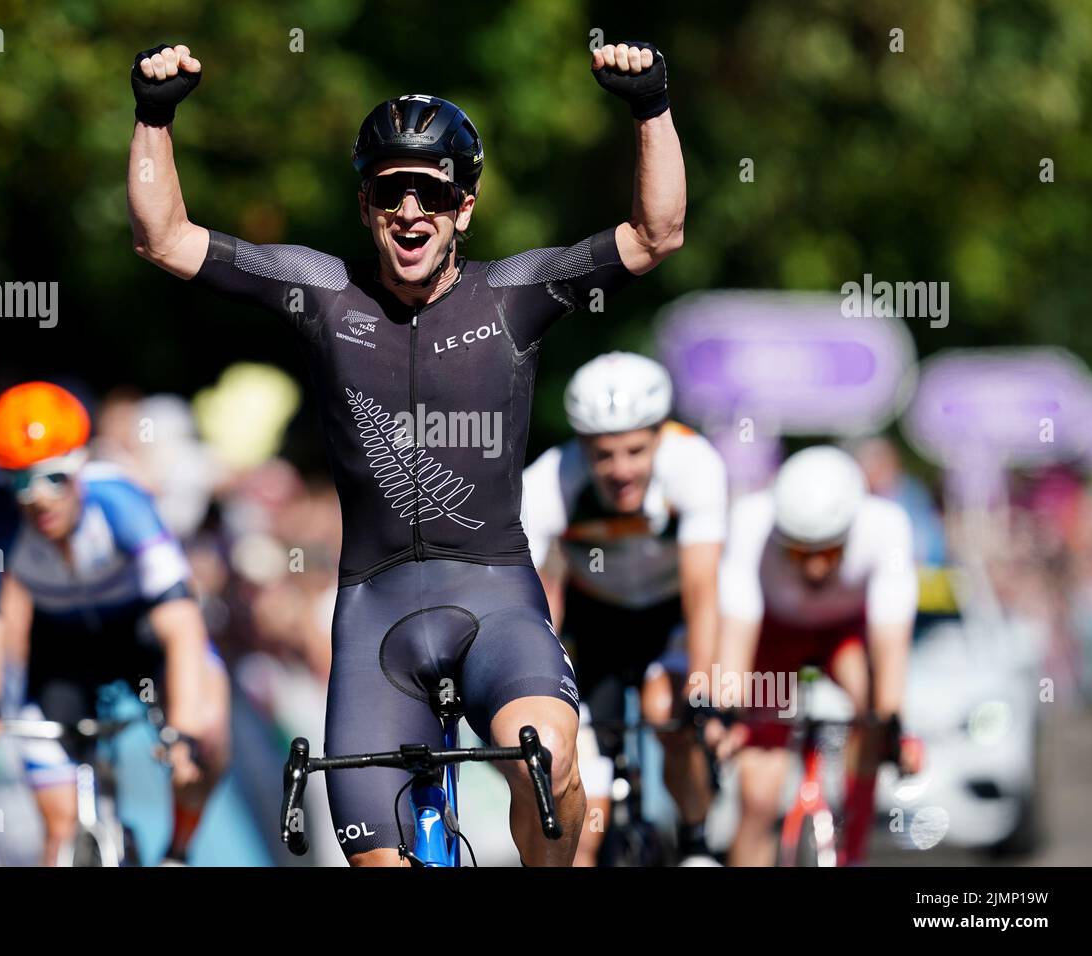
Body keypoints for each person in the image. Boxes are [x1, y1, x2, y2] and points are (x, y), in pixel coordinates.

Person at [128, 40, 686, 865]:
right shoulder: (323, 293)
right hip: (373, 617)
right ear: (366, 206)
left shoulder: (513, 297)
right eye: (392, 191)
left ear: (465, 206)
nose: (411, 210)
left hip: (494, 594)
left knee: (547, 758)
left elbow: (656, 233)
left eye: (433, 191)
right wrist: (153, 114)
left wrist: (651, 107)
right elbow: (165, 239)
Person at [0, 382, 231, 866]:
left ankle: (178, 852)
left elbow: (182, 627)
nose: (39, 498)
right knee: (60, 829)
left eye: (54, 477)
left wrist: (184, 729)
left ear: (81, 464)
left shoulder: (121, 503)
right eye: (21, 482)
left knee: (204, 739)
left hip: (144, 638)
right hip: (62, 650)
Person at [522, 352, 726, 865]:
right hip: (597, 622)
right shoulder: (550, 481)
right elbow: (536, 598)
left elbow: (704, 588)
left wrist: (704, 689)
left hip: (670, 611)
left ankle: (696, 840)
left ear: (662, 435)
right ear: (581, 447)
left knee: (672, 715)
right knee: (585, 816)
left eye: (636, 451)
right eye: (603, 455)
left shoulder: (695, 463)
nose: (621, 470)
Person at [714, 445, 920, 866]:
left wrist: (894, 723)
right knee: (758, 792)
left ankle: (853, 847)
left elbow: (890, 641)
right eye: (797, 552)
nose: (813, 570)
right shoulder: (751, 522)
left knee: (873, 709)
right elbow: (735, 636)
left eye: (827, 552)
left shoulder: (887, 526)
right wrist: (726, 712)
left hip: (842, 635)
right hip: (774, 635)